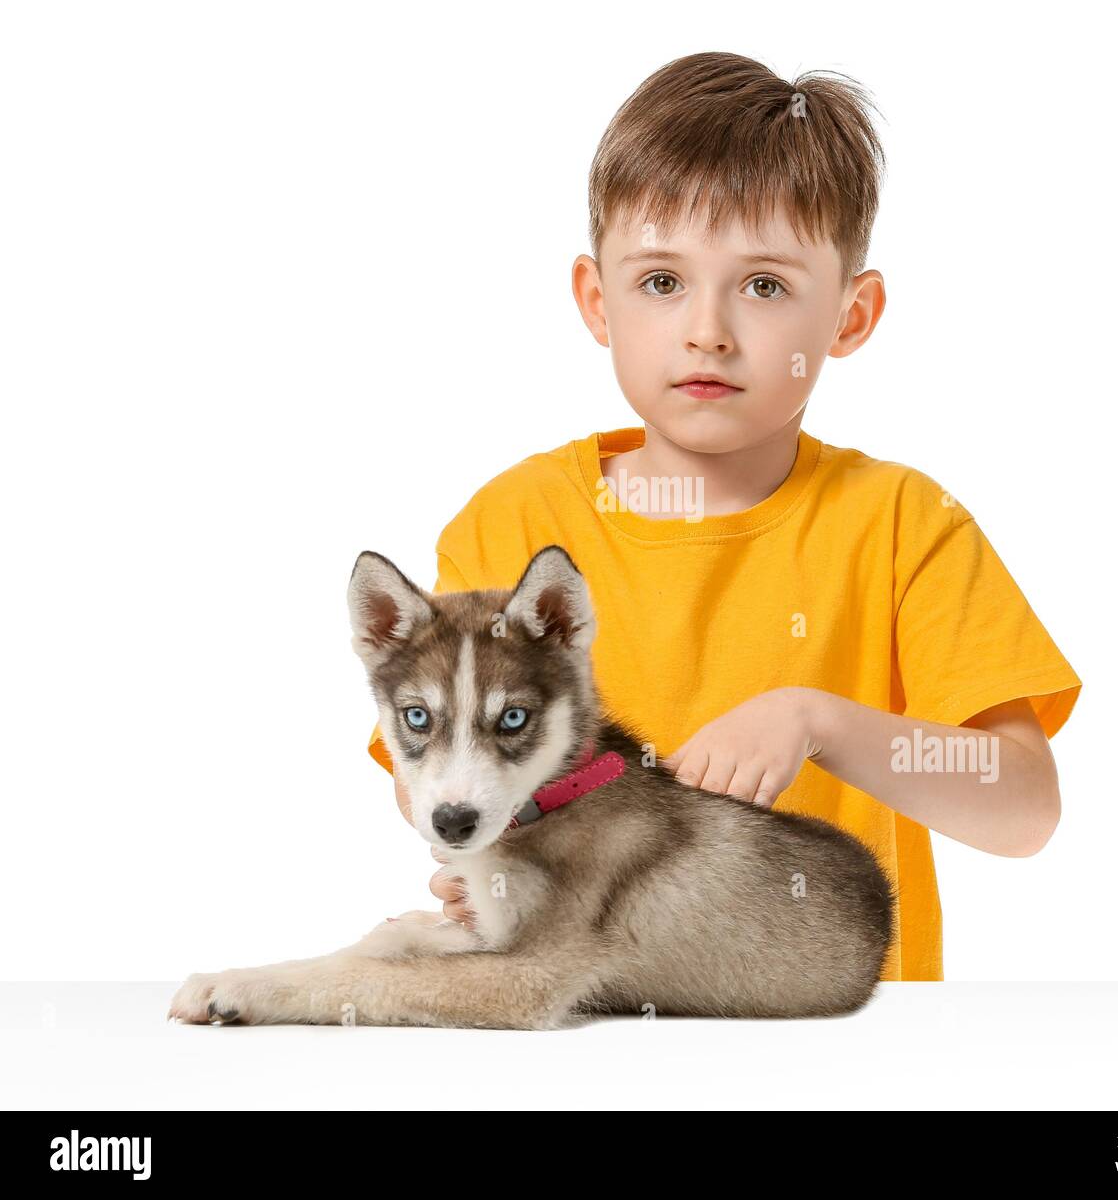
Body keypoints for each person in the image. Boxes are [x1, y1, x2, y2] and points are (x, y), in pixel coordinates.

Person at [368, 51, 1081, 980]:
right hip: (595, 1023)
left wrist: (816, 719)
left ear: (851, 317)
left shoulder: (905, 522)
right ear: (598, 301)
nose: (708, 328)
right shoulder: (514, 520)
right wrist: (498, 865)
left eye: (765, 285)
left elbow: (1024, 808)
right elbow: (427, 771)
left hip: (837, 1025)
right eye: (662, 281)